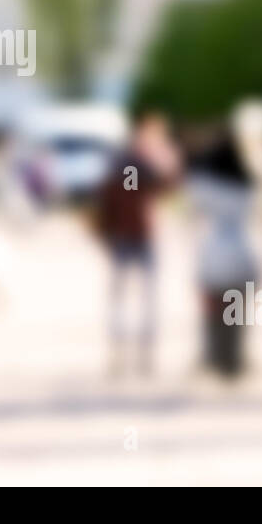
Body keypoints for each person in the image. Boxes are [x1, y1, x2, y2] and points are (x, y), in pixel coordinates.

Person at [93, 112, 179, 377]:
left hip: (123, 234)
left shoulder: (119, 162)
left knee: (123, 297)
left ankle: (121, 351)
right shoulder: (141, 162)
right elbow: (166, 187)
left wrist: (106, 230)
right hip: (140, 233)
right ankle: (142, 354)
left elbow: (107, 197)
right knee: (144, 297)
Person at [187, 128, 258, 378]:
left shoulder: (204, 183)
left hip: (214, 250)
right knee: (236, 309)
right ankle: (234, 357)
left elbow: (192, 210)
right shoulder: (247, 181)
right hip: (243, 248)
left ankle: (215, 354)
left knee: (214, 308)